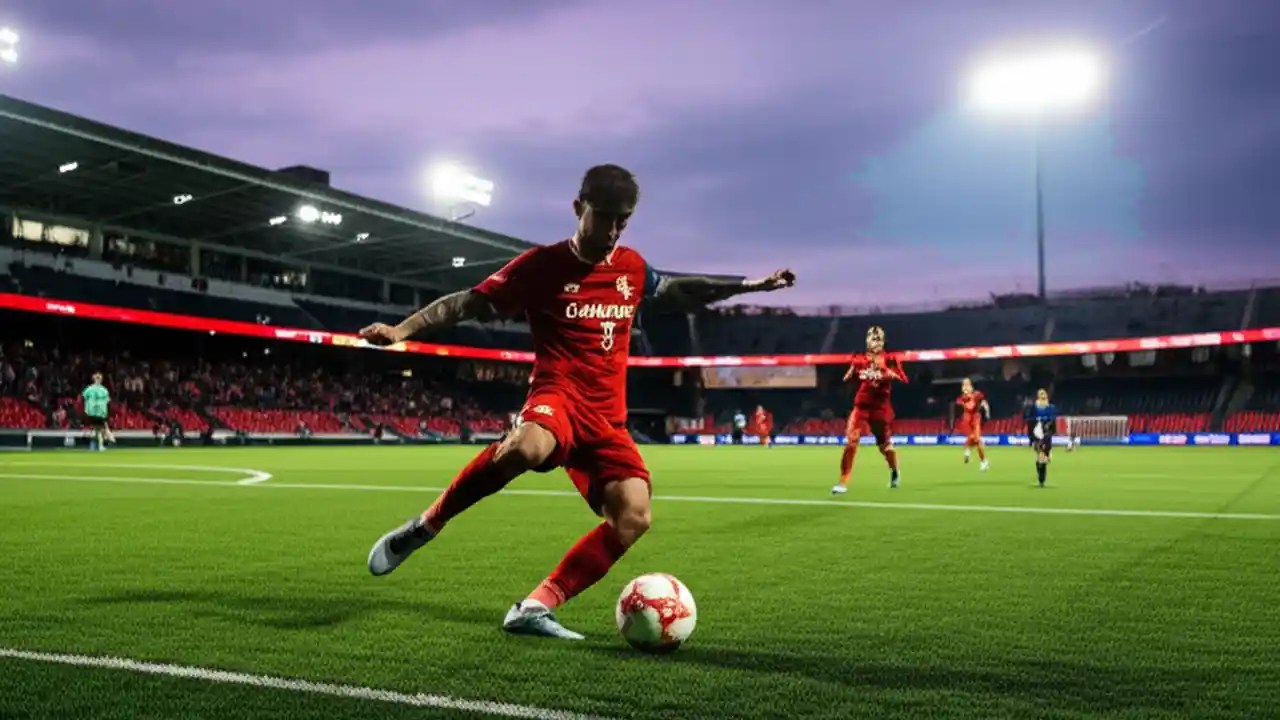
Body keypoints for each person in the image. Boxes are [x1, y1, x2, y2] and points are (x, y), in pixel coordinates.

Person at [360, 164, 796, 640]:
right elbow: (465, 303)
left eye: (622, 221)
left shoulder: (630, 266)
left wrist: (749, 286)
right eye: (603, 216)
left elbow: (677, 288)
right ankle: (426, 525)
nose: (611, 231)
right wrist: (401, 331)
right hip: (558, 395)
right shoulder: (541, 266)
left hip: (608, 418)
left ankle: (535, 606)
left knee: (634, 516)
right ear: (577, 208)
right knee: (527, 447)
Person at [834, 326, 906, 493]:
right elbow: (845, 379)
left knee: (885, 447)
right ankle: (843, 481)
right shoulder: (860, 360)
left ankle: (894, 470)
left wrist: (886, 372)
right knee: (851, 441)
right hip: (861, 407)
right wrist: (854, 369)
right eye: (873, 339)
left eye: (879, 339)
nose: (876, 342)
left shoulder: (890, 359)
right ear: (867, 341)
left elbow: (903, 379)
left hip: (880, 410)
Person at [1024, 388, 1057, 488]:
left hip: (1047, 435)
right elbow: (1030, 422)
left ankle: (1041, 474)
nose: (1043, 397)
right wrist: (1030, 438)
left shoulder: (1051, 408)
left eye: (1044, 395)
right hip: (1037, 434)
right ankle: (1041, 480)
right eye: (1041, 395)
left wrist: (1052, 432)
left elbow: (1053, 422)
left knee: (1045, 458)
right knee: (1040, 456)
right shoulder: (1034, 408)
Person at [956, 378, 991, 470]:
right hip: (967, 419)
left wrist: (986, 410)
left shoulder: (977, 395)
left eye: (967, 385)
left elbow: (983, 402)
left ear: (971, 386)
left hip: (976, 418)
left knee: (977, 439)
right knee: (973, 438)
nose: (965, 387)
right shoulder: (962, 398)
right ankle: (983, 461)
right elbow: (966, 406)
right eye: (963, 385)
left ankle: (972, 453)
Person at [81, 372, 113, 452]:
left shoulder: (89, 389)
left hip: (92, 412)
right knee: (100, 430)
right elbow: (108, 401)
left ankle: (93, 446)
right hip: (99, 413)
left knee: (95, 429)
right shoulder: (104, 390)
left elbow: (84, 397)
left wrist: (88, 407)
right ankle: (100, 445)